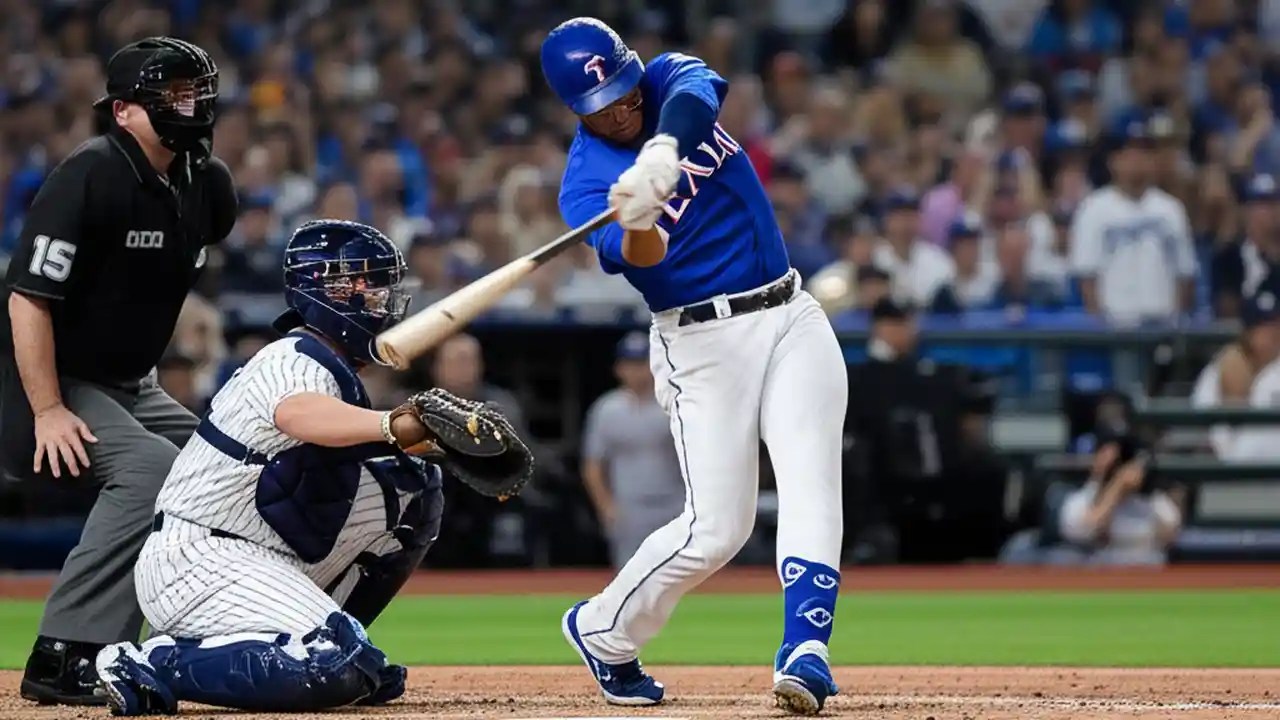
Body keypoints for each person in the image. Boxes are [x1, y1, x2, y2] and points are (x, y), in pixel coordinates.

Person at [93, 219, 529, 715]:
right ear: (328, 291)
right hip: (198, 559)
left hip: (258, 555)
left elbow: (372, 455)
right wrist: (392, 425)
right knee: (329, 667)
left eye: (382, 285)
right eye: (365, 284)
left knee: (413, 483)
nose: (381, 299)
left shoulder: (334, 366)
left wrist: (434, 447)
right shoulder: (293, 355)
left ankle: (337, 643)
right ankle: (153, 661)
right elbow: (298, 413)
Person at [543, 18, 846, 714]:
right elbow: (644, 264)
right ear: (574, 110)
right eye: (604, 106)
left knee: (810, 477)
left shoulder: (664, 81)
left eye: (624, 90)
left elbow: (696, 97)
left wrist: (662, 154)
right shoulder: (587, 188)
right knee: (718, 527)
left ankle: (806, 649)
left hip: (790, 309)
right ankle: (603, 628)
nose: (623, 107)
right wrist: (642, 220)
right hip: (702, 344)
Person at [0, 37, 237, 706]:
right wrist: (47, 409)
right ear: (125, 110)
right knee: (151, 470)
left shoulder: (204, 181)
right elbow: (28, 298)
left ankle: (198, 632)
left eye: (197, 90)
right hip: (48, 383)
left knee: (226, 464)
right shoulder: (90, 175)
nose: (192, 104)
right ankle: (63, 652)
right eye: (175, 94)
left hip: (133, 384)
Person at [1069, 118, 1197, 324]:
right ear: (1113, 160)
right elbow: (1086, 277)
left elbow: (1185, 274)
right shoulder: (1093, 208)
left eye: (1145, 151)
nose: (1138, 159)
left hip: (1163, 327)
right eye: (1130, 151)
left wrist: (1176, 324)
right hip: (1116, 329)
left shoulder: (1171, 209)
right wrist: (1100, 327)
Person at [581, 331, 684, 569]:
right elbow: (593, 465)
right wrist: (606, 506)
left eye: (643, 363)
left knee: (679, 575)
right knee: (630, 575)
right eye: (631, 364)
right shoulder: (606, 409)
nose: (638, 371)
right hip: (629, 507)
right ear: (619, 369)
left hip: (675, 504)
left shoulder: (674, 402)